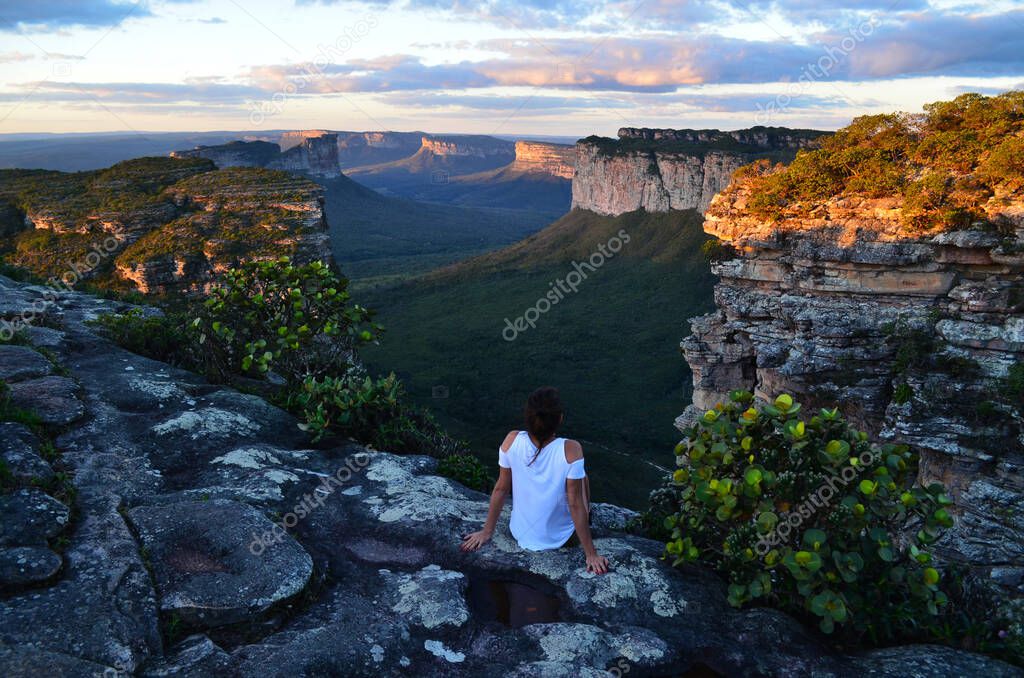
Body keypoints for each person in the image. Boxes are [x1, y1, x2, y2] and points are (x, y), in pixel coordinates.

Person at [460, 386, 610, 574]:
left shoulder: (511, 440)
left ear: (528, 417)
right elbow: (575, 504)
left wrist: (486, 532)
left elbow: (501, 489)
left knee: (576, 477)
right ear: (560, 419)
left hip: (519, 532)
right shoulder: (571, 449)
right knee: (582, 478)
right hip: (560, 539)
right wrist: (591, 554)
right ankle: (587, 520)